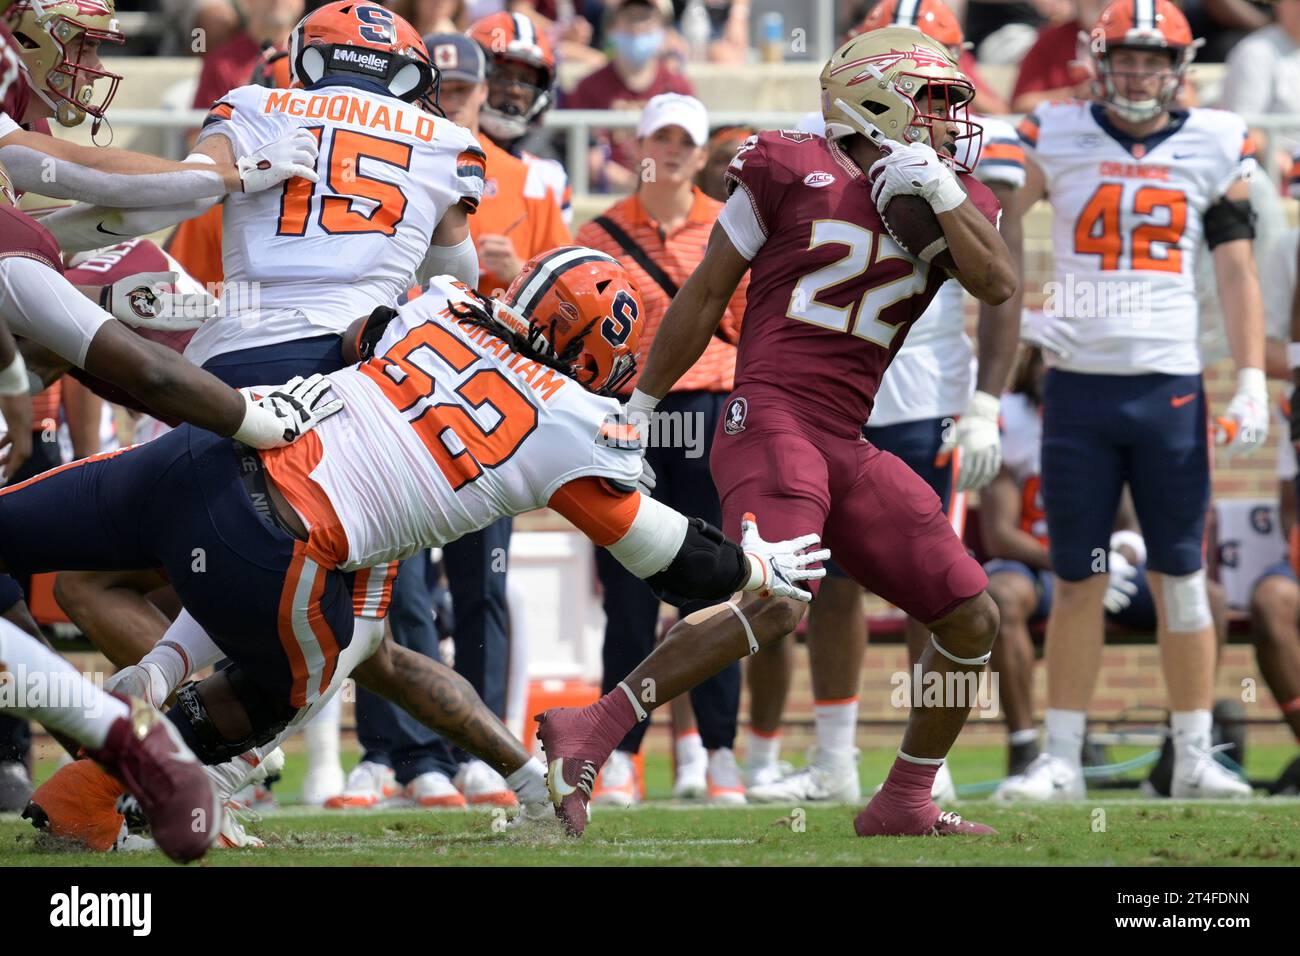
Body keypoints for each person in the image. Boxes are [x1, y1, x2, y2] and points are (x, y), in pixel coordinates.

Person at [13, 251, 825, 848]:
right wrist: (758, 566)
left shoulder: (441, 305)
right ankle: (110, 783)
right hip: (275, 538)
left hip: (201, 451)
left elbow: (357, 340)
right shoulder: (573, 427)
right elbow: (671, 561)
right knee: (309, 671)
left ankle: (130, 716)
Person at [536, 26, 1017, 839]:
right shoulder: (786, 164)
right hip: (767, 415)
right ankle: (591, 732)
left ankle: (904, 797)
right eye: (931, 99)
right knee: (777, 599)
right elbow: (704, 292)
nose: (946, 120)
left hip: (847, 437)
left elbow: (999, 283)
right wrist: (640, 409)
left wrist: (936, 188)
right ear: (875, 99)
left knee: (972, 616)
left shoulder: (947, 190)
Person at [741, 0, 1026, 806]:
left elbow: (1007, 281)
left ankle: (922, 774)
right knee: (824, 586)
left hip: (925, 387)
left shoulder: (973, 156)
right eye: (924, 83)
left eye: (947, 78)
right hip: (822, 395)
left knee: (932, 589)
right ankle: (834, 757)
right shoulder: (816, 140)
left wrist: (985, 403)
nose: (945, 107)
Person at [998, 0, 1264, 802]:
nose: (1140, 73)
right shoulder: (1054, 128)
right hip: (1077, 390)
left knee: (1182, 577)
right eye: (1126, 57)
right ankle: (1061, 759)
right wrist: (1029, 313)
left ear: (1179, 68)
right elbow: (998, 222)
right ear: (1098, 60)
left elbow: (1237, 270)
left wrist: (1250, 377)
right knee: (1080, 578)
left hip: (1170, 384)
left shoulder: (1219, 139)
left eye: (1155, 59)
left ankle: (1191, 755)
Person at [574, 92, 749, 805]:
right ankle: (621, 753)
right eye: (661, 137)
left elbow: (748, 330)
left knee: (715, 587)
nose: (672, 150)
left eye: (685, 140)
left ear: (703, 152)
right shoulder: (599, 230)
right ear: (640, 144)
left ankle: (720, 753)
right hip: (629, 416)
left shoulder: (732, 225)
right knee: (629, 592)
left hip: (709, 412)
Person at [564, 0, 693, 193]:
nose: (638, 27)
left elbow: (689, 153)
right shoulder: (589, 87)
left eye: (646, 18)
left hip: (664, 194)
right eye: (629, 18)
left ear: (663, 28)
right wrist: (632, 184)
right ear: (611, 27)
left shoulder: (678, 86)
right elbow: (585, 155)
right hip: (605, 196)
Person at [467, 10, 571, 223]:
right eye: (502, 75)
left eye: (526, 79)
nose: (515, 90)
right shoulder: (440, 155)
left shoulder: (548, 178)